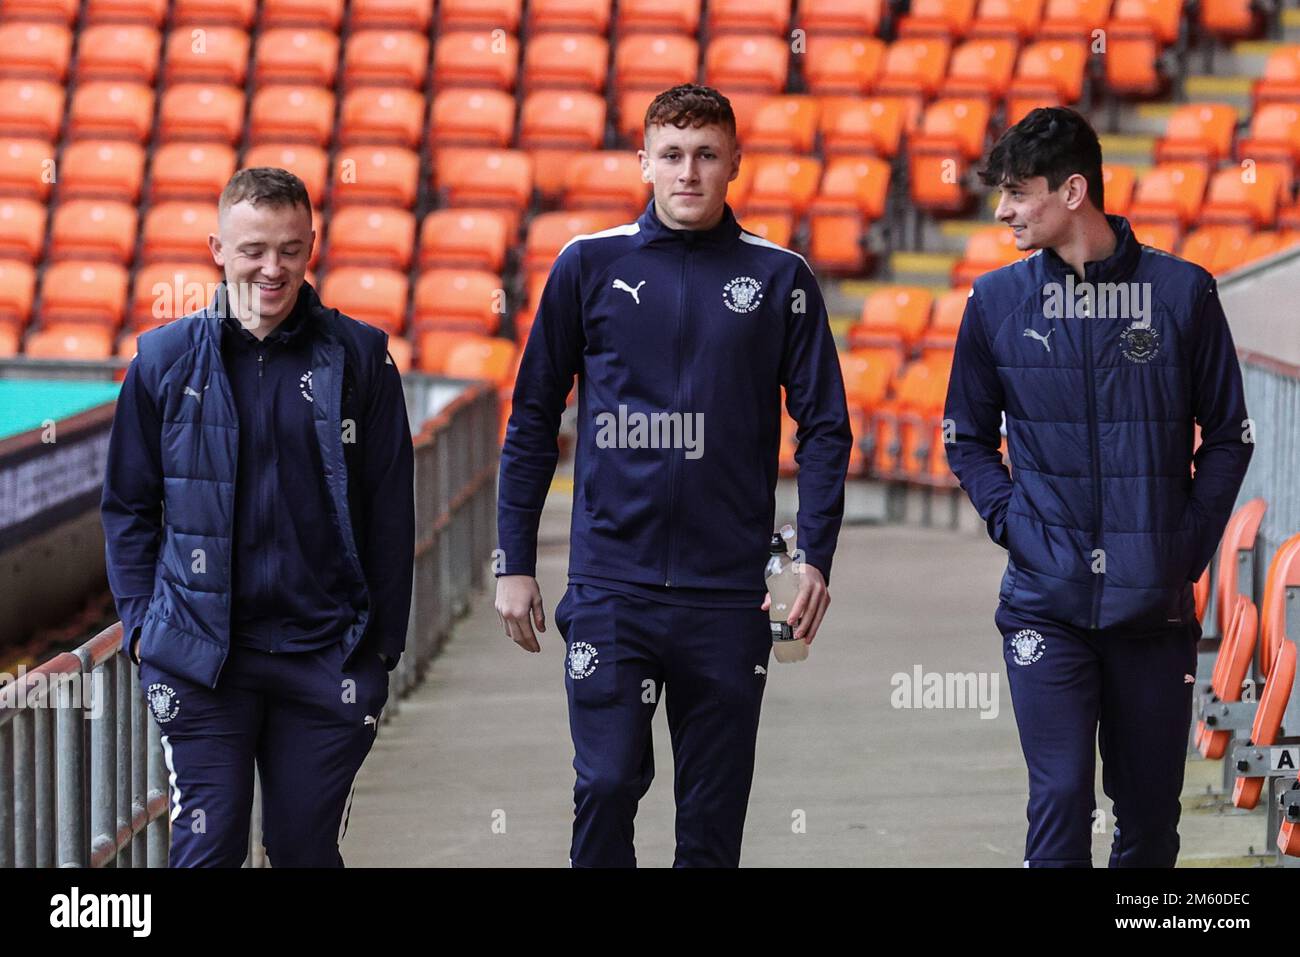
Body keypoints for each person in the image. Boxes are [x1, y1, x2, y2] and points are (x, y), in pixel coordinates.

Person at [494, 83, 852, 867]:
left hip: (727, 595)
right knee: (607, 783)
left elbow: (825, 424)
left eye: (706, 156)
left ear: (733, 165)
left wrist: (813, 554)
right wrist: (513, 561)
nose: (688, 173)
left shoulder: (779, 277)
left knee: (711, 827)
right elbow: (530, 419)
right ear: (644, 163)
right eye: (672, 155)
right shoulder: (588, 265)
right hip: (609, 586)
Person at [944, 107, 1253, 867]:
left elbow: (1229, 437)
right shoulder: (995, 303)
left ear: (1073, 190)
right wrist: (1012, 520)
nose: (1003, 210)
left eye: (1018, 192)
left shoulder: (1184, 295)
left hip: (1152, 609)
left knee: (1149, 821)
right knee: (1059, 800)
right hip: (1043, 605)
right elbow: (966, 437)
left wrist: (1180, 546)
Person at [100, 167, 415, 867]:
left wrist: (380, 650)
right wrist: (145, 629)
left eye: (290, 249)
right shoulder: (163, 359)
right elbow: (127, 506)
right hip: (201, 662)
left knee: (302, 848)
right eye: (253, 250)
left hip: (326, 656)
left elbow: (392, 514)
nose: (272, 268)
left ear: (312, 245)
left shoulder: (360, 357)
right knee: (206, 848)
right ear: (217, 247)